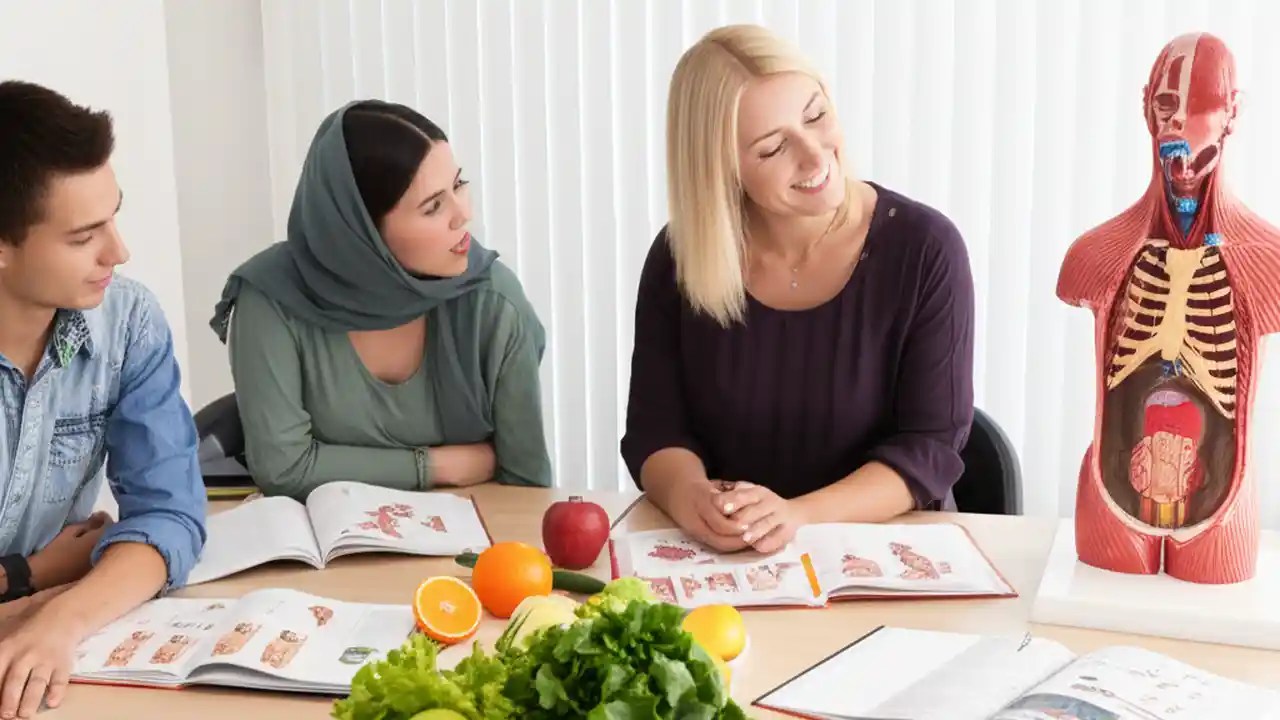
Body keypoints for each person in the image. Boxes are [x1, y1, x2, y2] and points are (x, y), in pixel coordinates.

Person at [621, 25, 976, 555]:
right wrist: (687, 495)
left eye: (815, 116)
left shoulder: (925, 249)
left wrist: (795, 515)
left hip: (879, 556)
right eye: (773, 148)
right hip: (732, 561)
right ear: (722, 170)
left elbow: (930, 450)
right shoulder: (680, 258)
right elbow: (655, 430)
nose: (815, 156)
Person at [212, 100, 551, 500]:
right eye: (433, 206)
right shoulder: (271, 300)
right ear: (360, 233)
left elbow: (526, 486)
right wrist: (437, 466)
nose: (463, 216)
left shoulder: (493, 303)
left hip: (471, 550)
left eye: (458, 185)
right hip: (324, 554)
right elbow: (284, 467)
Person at [0, 81, 207, 717]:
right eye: (83, 236)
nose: (119, 251)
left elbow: (169, 517)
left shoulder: (129, 321)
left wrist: (60, 620)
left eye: (113, 215)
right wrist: (30, 574)